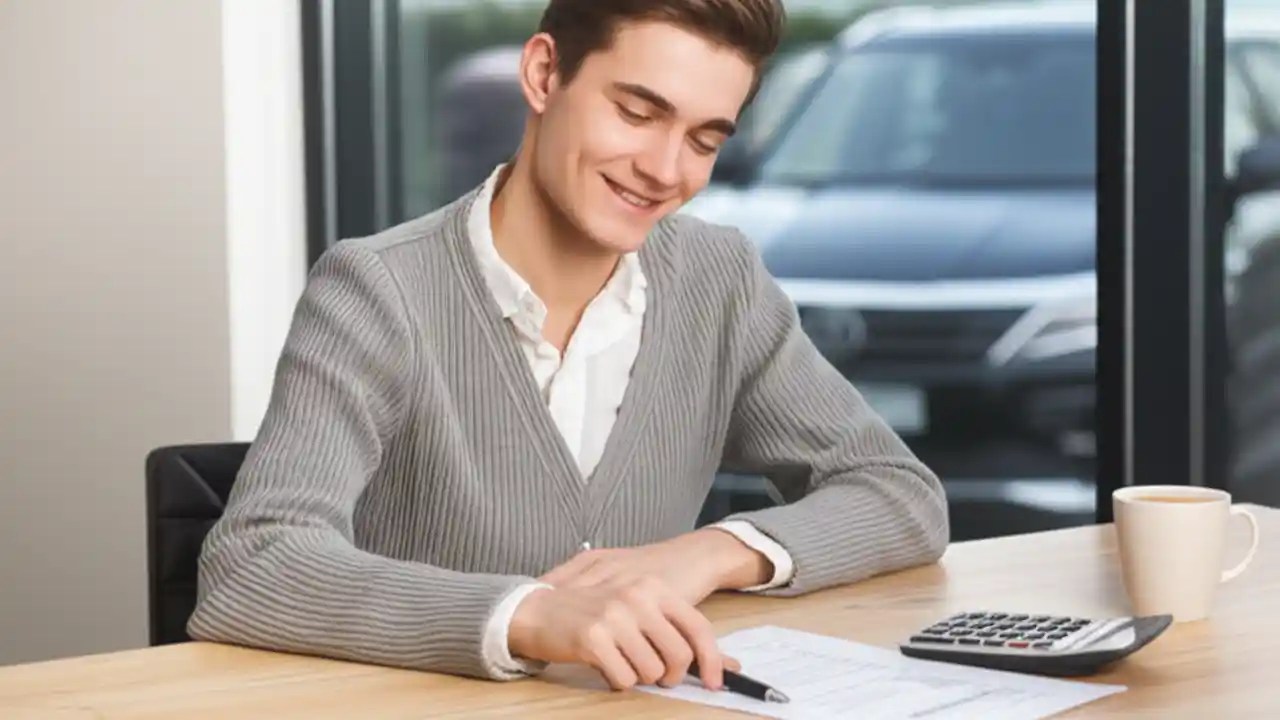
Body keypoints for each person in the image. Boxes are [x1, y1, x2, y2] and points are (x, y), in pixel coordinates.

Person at [189, 0, 949, 694]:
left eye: (702, 140)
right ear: (544, 73)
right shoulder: (378, 290)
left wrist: (702, 554)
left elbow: (897, 491)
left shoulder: (722, 281)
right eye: (636, 113)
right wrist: (531, 613)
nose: (664, 170)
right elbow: (254, 566)